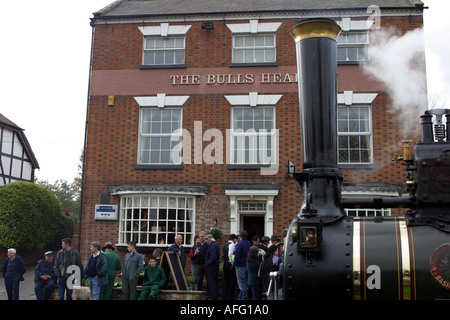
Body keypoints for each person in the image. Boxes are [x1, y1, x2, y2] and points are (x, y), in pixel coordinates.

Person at [234, 230, 251, 300]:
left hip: (240, 266)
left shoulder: (239, 244)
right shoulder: (249, 243)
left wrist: (235, 264)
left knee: (241, 284)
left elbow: (237, 256)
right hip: (247, 264)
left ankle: (243, 298)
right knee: (246, 283)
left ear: (240, 236)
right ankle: (241, 297)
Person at [222, 234, 237, 300]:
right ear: (234, 239)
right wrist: (232, 263)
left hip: (225, 264)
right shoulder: (232, 245)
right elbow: (230, 254)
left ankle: (224, 297)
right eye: (236, 239)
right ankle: (230, 297)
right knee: (232, 281)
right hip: (229, 264)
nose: (236, 240)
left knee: (226, 281)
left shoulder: (225, 245)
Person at [205, 234, 220, 300]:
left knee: (212, 283)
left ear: (209, 240)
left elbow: (213, 257)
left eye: (206, 240)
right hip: (213, 267)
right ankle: (213, 296)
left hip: (211, 267)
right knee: (213, 282)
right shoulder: (214, 245)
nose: (206, 242)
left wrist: (207, 263)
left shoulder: (213, 246)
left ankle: (213, 297)